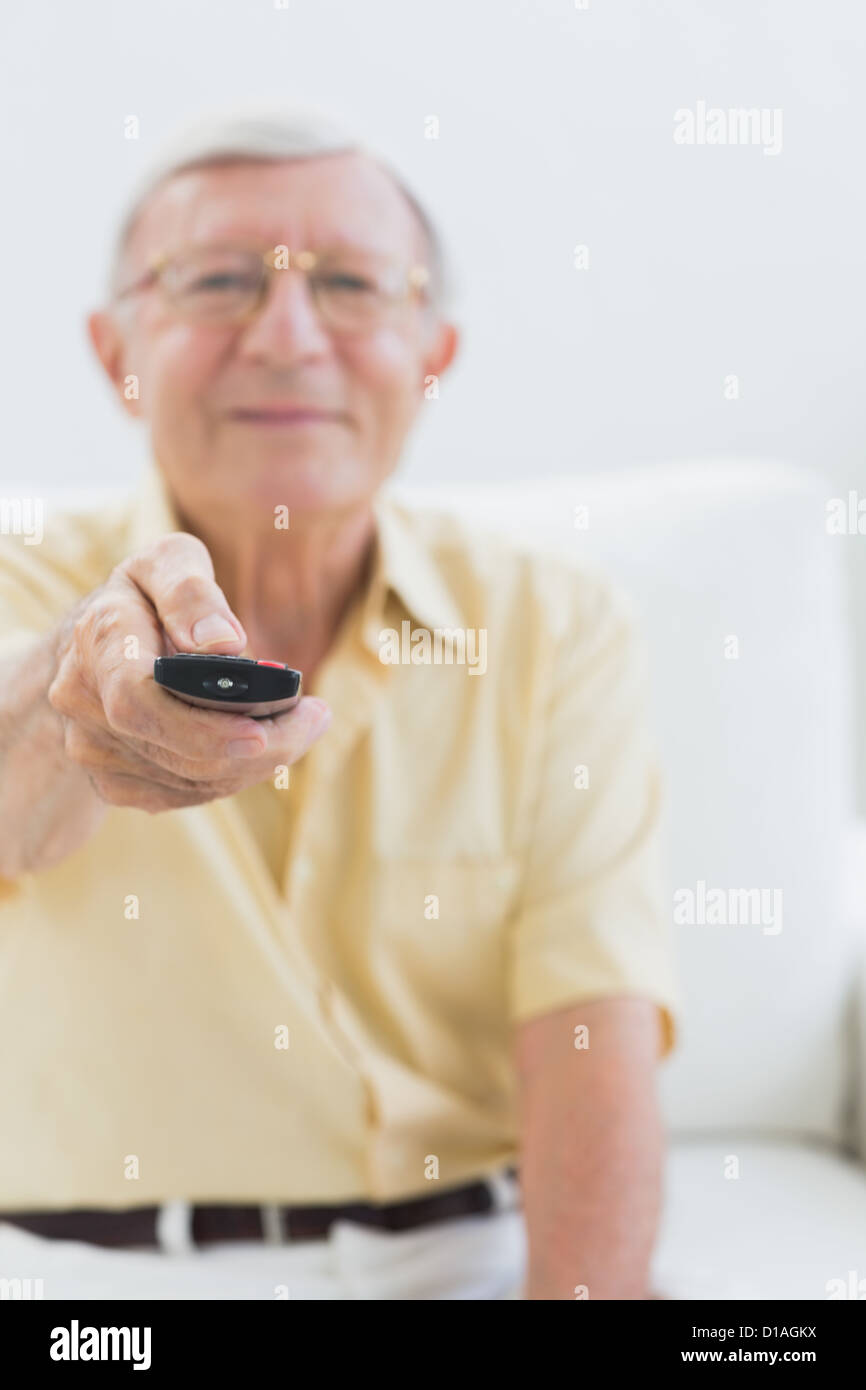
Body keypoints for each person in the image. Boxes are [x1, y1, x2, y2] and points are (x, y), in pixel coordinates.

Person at [0, 110, 680, 1300]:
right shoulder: (21, 580)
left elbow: (587, 1028)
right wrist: (73, 689)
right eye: (216, 281)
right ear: (117, 350)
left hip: (455, 1262)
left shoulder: (551, 623)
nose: (288, 335)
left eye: (354, 285)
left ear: (434, 354)